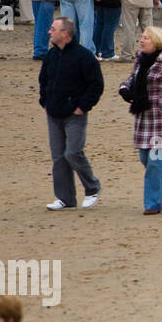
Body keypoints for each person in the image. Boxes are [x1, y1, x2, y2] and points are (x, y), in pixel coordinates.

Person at [117, 26, 162, 214]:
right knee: (145, 158)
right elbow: (131, 79)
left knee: (155, 162)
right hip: (143, 117)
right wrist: (124, 88)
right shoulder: (140, 60)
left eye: (146, 38)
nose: (142, 40)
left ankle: (152, 203)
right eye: (142, 37)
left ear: (157, 41)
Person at [39, 17, 104, 210]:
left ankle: (92, 188)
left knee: (73, 152)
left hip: (74, 115)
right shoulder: (51, 55)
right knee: (58, 157)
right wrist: (44, 101)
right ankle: (65, 199)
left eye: (53, 29)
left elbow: (96, 84)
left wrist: (82, 106)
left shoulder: (84, 56)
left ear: (65, 34)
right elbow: (44, 80)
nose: (49, 32)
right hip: (53, 113)